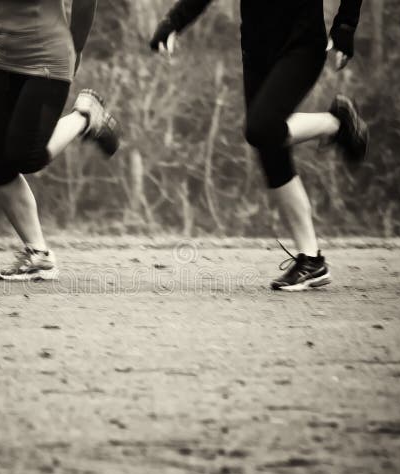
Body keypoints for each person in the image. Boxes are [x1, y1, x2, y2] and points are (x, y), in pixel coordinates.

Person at [150, 0, 368, 291]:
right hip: (256, 49)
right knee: (270, 150)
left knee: (261, 128)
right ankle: (311, 260)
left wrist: (345, 25)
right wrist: (174, 22)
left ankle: (336, 124)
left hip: (301, 44)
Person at [0, 0, 120, 281]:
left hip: (47, 58)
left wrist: (77, 47)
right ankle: (38, 255)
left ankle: (85, 116)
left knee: (24, 156)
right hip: (0, 58)